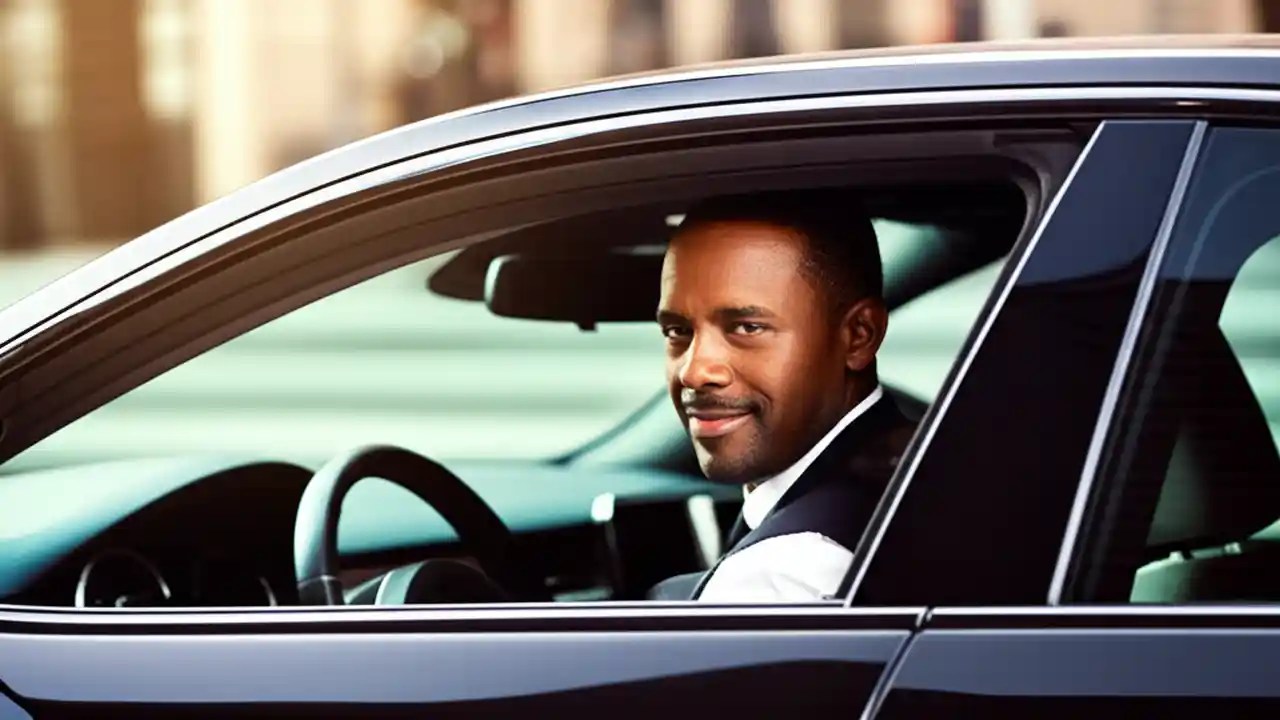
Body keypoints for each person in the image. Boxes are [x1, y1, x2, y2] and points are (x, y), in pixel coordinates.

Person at [651, 190, 917, 602]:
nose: (694, 370)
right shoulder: (923, 471)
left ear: (858, 336)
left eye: (747, 327)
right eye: (677, 332)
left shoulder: (777, 579)